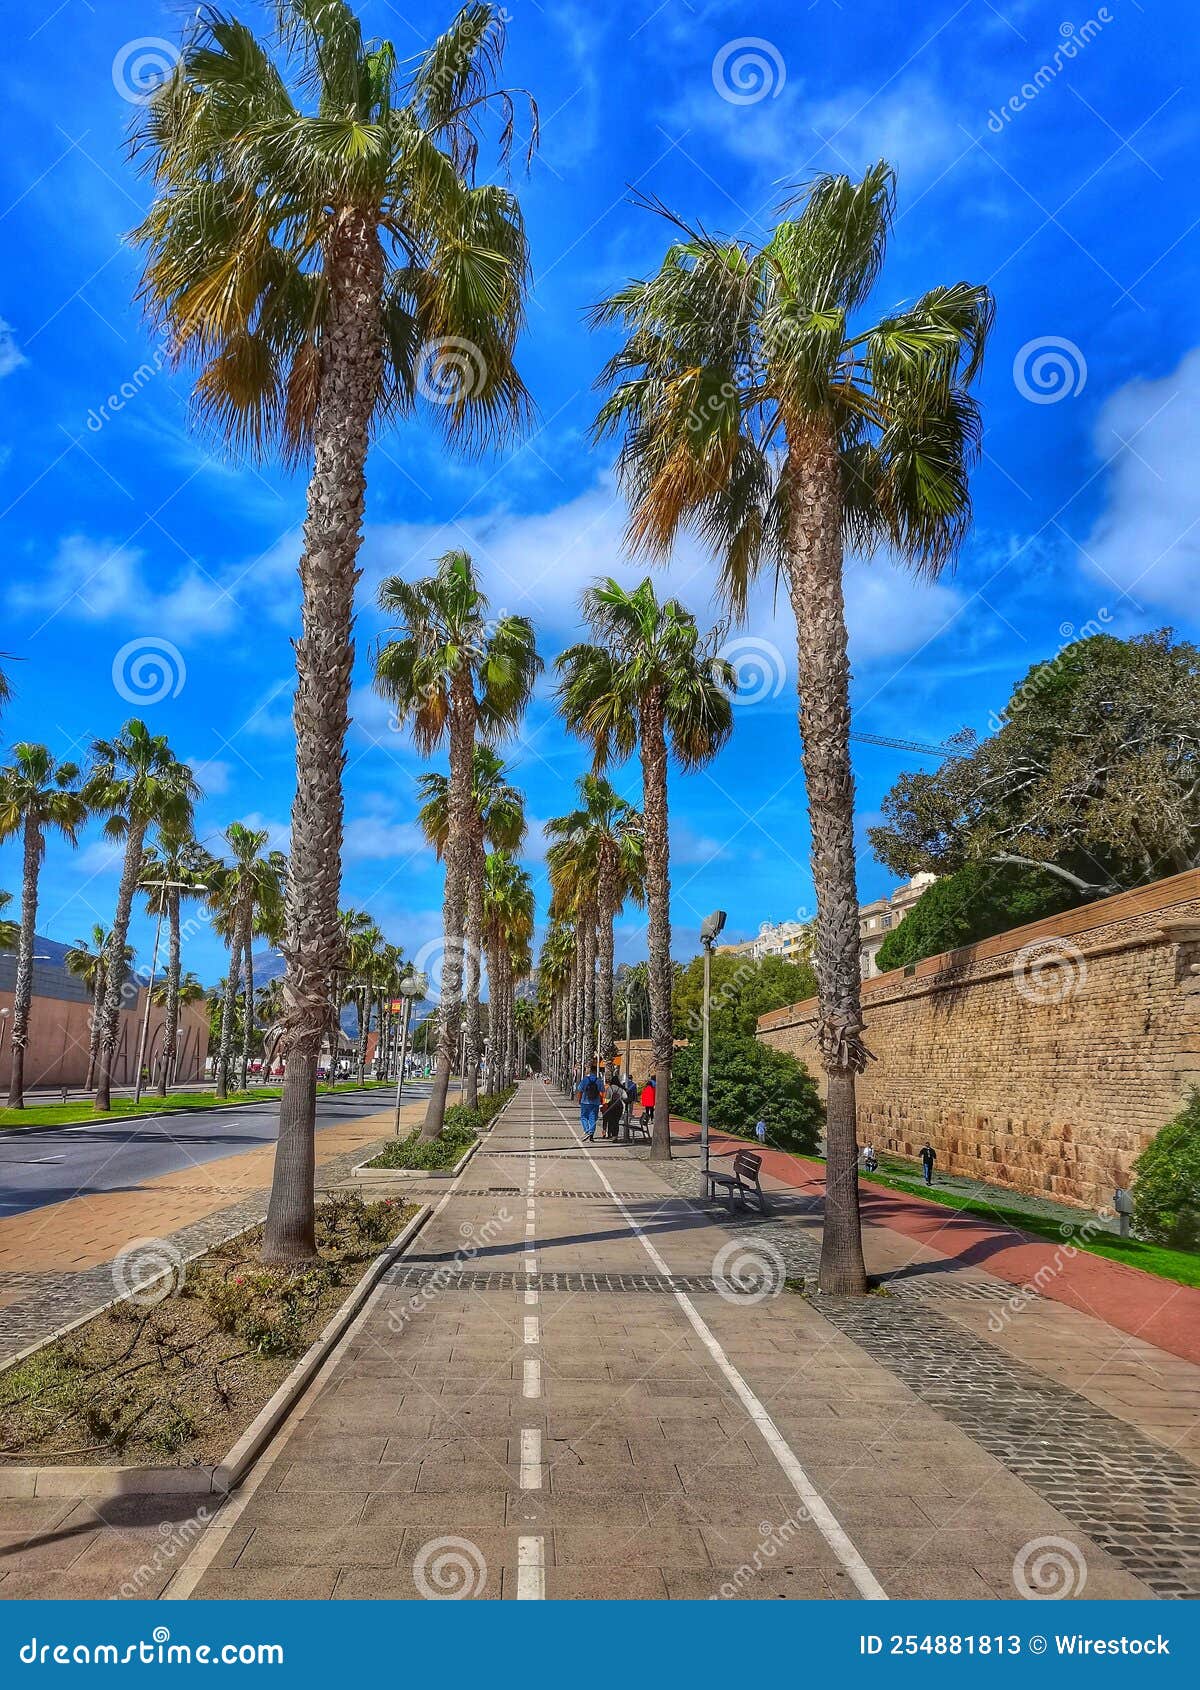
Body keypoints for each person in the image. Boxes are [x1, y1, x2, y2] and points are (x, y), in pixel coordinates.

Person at [576, 1063, 602, 1140]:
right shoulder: (599, 1081)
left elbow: (580, 1090)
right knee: (593, 1118)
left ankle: (587, 1130)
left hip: (585, 1102)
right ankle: (591, 1133)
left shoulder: (585, 1080)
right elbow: (602, 1091)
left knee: (583, 1117)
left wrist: (579, 1100)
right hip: (595, 1103)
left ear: (590, 1071)